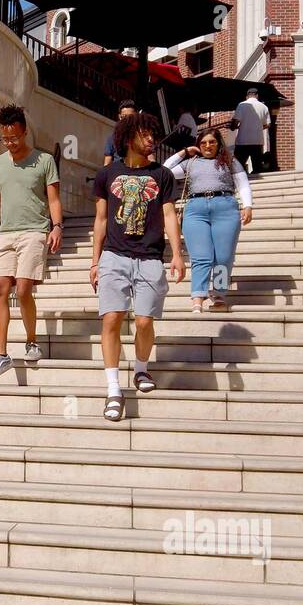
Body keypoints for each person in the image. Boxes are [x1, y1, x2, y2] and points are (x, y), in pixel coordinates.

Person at [91, 111, 186, 421]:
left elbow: (170, 215)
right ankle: (113, 390)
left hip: (149, 257)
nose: (151, 140)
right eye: (145, 134)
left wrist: (177, 253)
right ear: (129, 137)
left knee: (144, 322)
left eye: (152, 134)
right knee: (112, 319)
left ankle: (141, 369)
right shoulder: (107, 175)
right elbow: (102, 219)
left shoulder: (163, 176)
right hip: (114, 256)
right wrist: (95, 261)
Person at [0, 105, 64, 381]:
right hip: (5, 233)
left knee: (24, 289)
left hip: (34, 231)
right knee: (0, 288)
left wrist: (57, 226)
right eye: (5, 139)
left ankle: (31, 340)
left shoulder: (45, 161)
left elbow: (53, 199)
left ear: (24, 132)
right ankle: (1, 355)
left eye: (14, 137)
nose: (10, 143)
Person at [164, 129, 253, 313]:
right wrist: (184, 152)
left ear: (218, 143)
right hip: (196, 210)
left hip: (225, 207)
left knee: (223, 256)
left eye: (212, 142)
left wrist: (248, 205)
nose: (207, 146)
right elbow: (165, 170)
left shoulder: (229, 161)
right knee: (200, 257)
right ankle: (198, 297)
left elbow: (242, 183)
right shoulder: (191, 163)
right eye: (203, 142)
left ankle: (219, 294)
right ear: (198, 144)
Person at [230, 88, 270, 176]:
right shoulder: (264, 107)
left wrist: (233, 127)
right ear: (257, 95)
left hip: (243, 141)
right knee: (257, 168)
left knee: (238, 167)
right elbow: (268, 124)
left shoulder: (242, 105)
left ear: (247, 96)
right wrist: (258, 127)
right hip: (257, 141)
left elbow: (235, 122)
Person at [102, 99, 138, 167]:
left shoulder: (143, 137)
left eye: (130, 117)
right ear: (119, 117)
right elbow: (107, 164)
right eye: (124, 117)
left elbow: (151, 159)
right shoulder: (113, 137)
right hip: (118, 174)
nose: (127, 120)